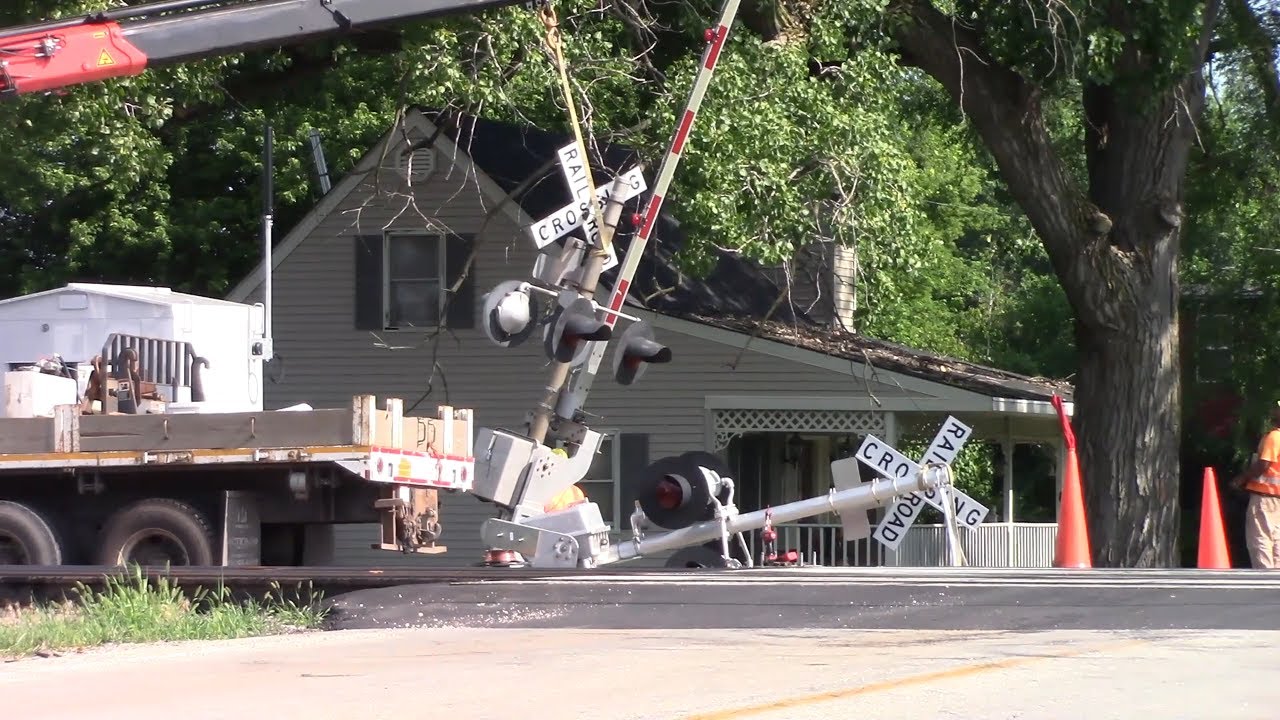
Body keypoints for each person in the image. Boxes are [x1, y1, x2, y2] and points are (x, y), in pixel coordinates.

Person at [1231, 402, 1280, 568]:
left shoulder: (1275, 437)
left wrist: (1241, 479)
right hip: (1277, 498)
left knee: (1260, 537)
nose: (1274, 410)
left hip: (1265, 498)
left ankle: (1264, 577)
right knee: (1276, 539)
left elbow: (1263, 465)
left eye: (1278, 409)